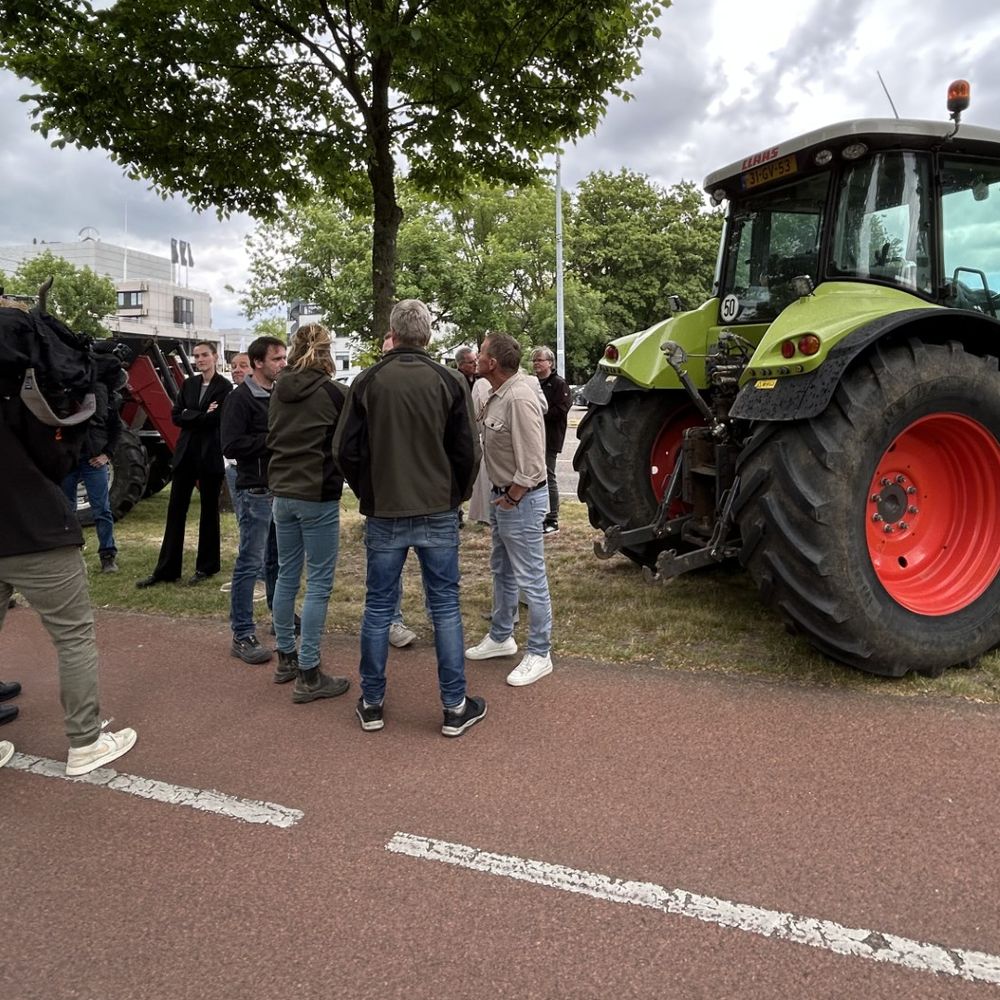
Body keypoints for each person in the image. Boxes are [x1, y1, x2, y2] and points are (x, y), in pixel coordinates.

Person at [335, 298, 485, 736]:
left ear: (394, 333)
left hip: (386, 509)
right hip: (437, 508)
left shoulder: (367, 381)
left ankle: (372, 702)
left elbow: (344, 449)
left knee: (379, 607)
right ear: (428, 334)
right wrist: (454, 495)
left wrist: (369, 490)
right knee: (445, 607)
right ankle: (454, 706)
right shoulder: (449, 380)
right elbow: (468, 451)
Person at [0, 298, 136, 774]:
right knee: (73, 636)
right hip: (35, 527)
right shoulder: (30, 389)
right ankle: (85, 742)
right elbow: (57, 459)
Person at [267, 323, 351, 702]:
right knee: (318, 583)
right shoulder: (333, 392)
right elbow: (348, 443)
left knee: (287, 575)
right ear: (326, 351)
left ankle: (286, 656)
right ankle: (309, 671)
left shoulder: (278, 389)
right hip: (316, 493)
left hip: (282, 491)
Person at [466, 332, 554, 687]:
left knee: (531, 578)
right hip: (505, 497)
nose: (476, 357)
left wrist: (513, 497)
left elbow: (533, 464)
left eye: (481, 352)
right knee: (502, 569)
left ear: (493, 363)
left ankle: (540, 653)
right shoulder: (497, 392)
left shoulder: (518, 397)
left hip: (521, 500)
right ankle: (502, 636)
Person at [137, 340, 232, 587]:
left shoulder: (224, 387)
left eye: (204, 355)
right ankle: (167, 570)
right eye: (196, 356)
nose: (200, 360)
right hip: (185, 455)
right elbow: (176, 416)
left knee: (209, 512)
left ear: (215, 357)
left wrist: (192, 415)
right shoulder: (189, 384)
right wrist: (201, 414)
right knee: (176, 511)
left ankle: (207, 567)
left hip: (209, 455)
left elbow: (216, 419)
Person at [221, 335, 286, 664]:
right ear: (258, 362)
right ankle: (242, 632)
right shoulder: (240, 398)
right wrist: (271, 440)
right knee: (250, 561)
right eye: (277, 359)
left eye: (284, 358)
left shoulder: (278, 394)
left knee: (277, 559)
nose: (283, 364)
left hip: (279, 489)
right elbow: (231, 445)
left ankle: (279, 616)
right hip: (254, 491)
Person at [61, 340, 126, 573]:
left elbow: (116, 428)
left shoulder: (94, 392)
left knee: (96, 510)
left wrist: (107, 454)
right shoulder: (100, 391)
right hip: (74, 458)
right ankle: (87, 556)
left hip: (89, 459)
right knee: (81, 510)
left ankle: (105, 555)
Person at [530, 346, 571, 535]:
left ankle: (552, 518)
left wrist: (536, 414)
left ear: (550, 363)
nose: (536, 363)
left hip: (550, 437)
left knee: (548, 475)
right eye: (534, 360)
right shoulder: (531, 383)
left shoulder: (558, 384)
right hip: (532, 436)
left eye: (539, 360)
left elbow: (561, 410)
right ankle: (536, 514)